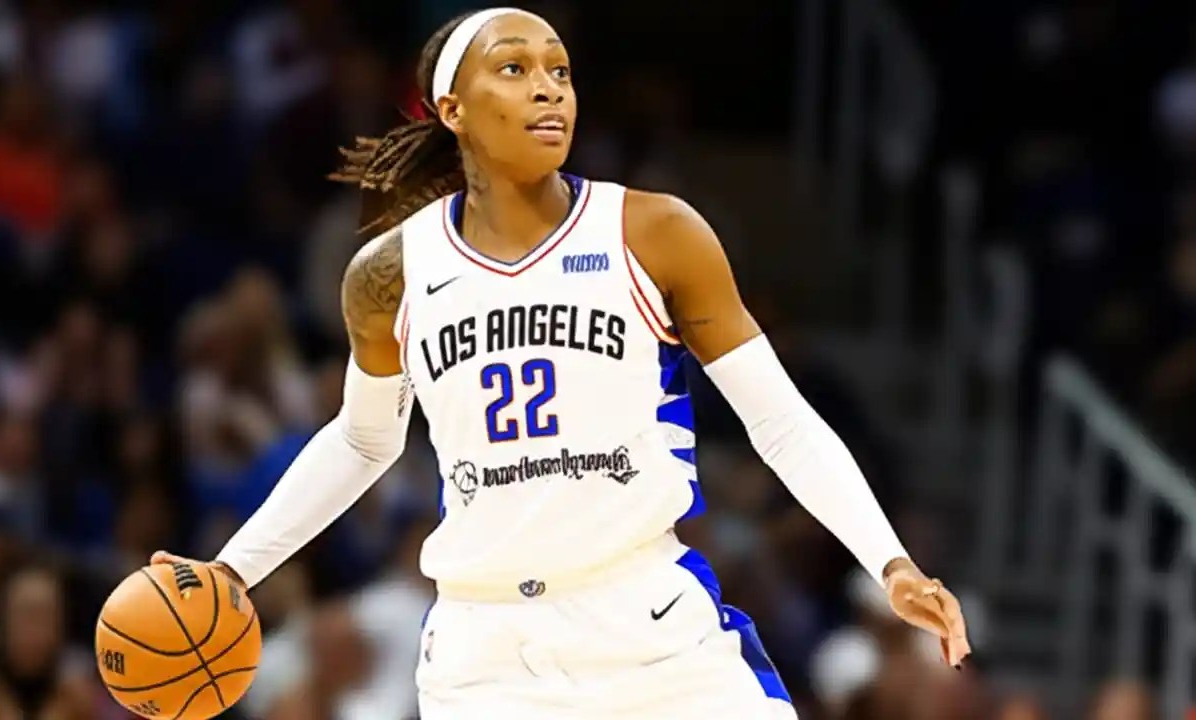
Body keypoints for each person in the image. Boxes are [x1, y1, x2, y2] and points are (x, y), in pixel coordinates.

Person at [155, 7, 971, 718]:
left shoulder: (653, 232)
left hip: (649, 626)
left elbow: (780, 421)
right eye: (515, 69)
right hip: (487, 654)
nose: (549, 88)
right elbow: (365, 442)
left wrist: (889, 560)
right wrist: (233, 570)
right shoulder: (389, 274)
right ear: (453, 108)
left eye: (561, 71)